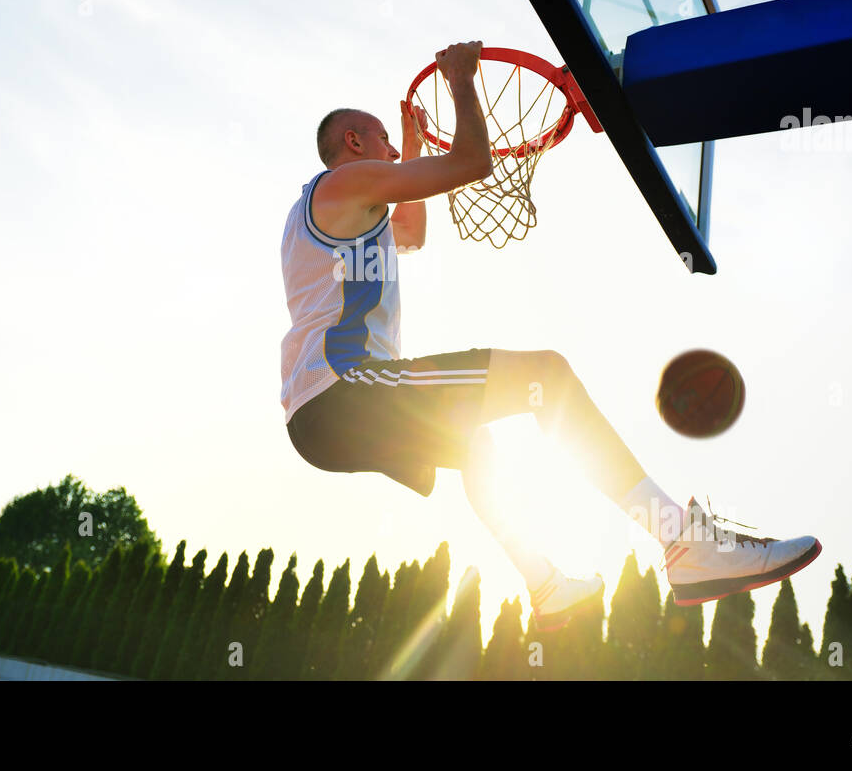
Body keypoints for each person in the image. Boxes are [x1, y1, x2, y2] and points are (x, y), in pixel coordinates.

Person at [279, 41, 821, 630]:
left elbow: (410, 233)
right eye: (381, 138)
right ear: (355, 145)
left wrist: (410, 144)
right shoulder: (342, 184)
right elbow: (471, 165)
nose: (390, 150)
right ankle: (683, 542)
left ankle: (546, 586)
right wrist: (462, 80)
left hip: (319, 422)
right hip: (347, 389)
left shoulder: (333, 211)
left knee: (476, 448)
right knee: (546, 376)